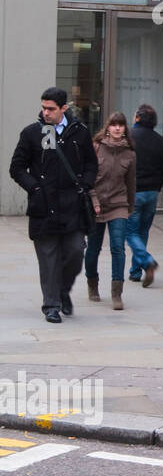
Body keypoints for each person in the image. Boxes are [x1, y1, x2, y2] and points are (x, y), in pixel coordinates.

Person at [8, 87, 98, 323]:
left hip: (72, 206)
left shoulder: (80, 132)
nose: (45, 112)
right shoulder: (32, 133)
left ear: (63, 108)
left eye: (51, 108)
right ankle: (51, 305)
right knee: (48, 258)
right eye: (43, 107)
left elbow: (91, 164)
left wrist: (85, 185)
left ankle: (63, 290)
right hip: (44, 206)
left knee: (76, 252)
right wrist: (35, 188)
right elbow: (16, 167)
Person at [84, 112, 137, 311]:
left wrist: (129, 207)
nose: (117, 128)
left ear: (125, 129)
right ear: (107, 127)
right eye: (113, 125)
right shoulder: (96, 147)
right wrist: (94, 199)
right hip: (96, 204)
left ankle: (117, 293)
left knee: (118, 247)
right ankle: (92, 284)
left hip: (119, 205)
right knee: (93, 249)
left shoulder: (130, 153)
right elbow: (86, 177)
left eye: (121, 125)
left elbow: (131, 183)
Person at [127, 103, 163, 286]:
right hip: (152, 192)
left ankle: (146, 261)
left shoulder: (129, 138)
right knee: (143, 231)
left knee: (130, 232)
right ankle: (135, 271)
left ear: (137, 118)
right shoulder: (161, 141)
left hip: (133, 192)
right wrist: (157, 185)